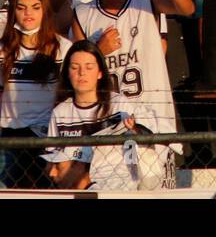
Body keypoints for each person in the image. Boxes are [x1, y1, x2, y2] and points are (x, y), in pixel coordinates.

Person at [72, 0, 194, 187]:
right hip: (109, 125)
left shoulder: (146, 1)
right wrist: (99, 51)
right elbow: (76, 66)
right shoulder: (83, 13)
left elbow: (187, 8)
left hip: (153, 121)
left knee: (158, 192)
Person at [0, 0, 70, 188]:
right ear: (13, 12)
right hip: (12, 136)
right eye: (22, 7)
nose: (29, 13)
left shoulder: (63, 47)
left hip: (49, 136)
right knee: (1, 192)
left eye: (36, 7)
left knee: (52, 193)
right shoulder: (2, 48)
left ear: (44, 11)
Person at [42, 40, 158, 190]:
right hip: (79, 187)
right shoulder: (60, 112)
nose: (81, 73)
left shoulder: (119, 105)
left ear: (100, 73)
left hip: (121, 184)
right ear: (67, 73)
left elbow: (142, 146)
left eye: (89, 67)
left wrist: (136, 129)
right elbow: (52, 159)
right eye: (74, 67)